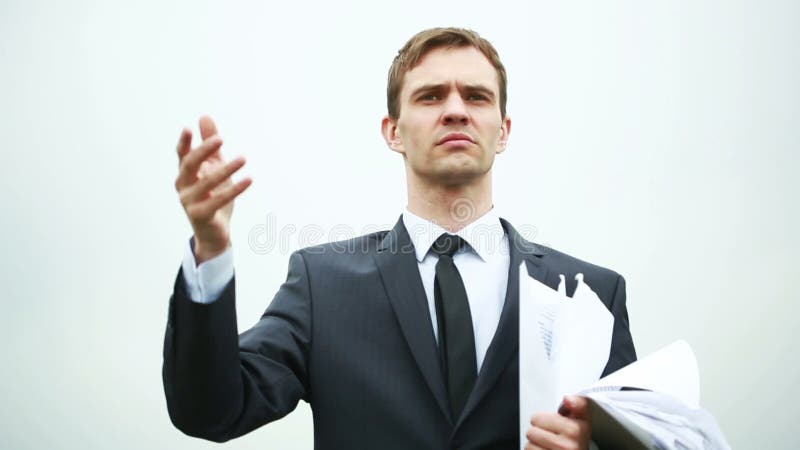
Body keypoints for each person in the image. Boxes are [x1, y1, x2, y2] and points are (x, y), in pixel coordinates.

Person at [163, 27, 636, 450]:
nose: (455, 110)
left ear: (504, 131)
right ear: (393, 133)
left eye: (476, 96)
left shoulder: (591, 294)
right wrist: (211, 251)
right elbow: (210, 410)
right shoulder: (321, 286)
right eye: (430, 96)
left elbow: (637, 440)